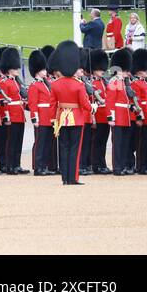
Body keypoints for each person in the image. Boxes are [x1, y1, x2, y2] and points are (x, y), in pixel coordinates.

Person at [48, 42, 92, 185]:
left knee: (63, 148)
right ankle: (73, 177)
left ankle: (65, 178)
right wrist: (93, 108)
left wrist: (52, 119)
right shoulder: (78, 84)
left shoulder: (55, 84)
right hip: (76, 119)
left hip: (61, 119)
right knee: (75, 149)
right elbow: (85, 105)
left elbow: (52, 104)